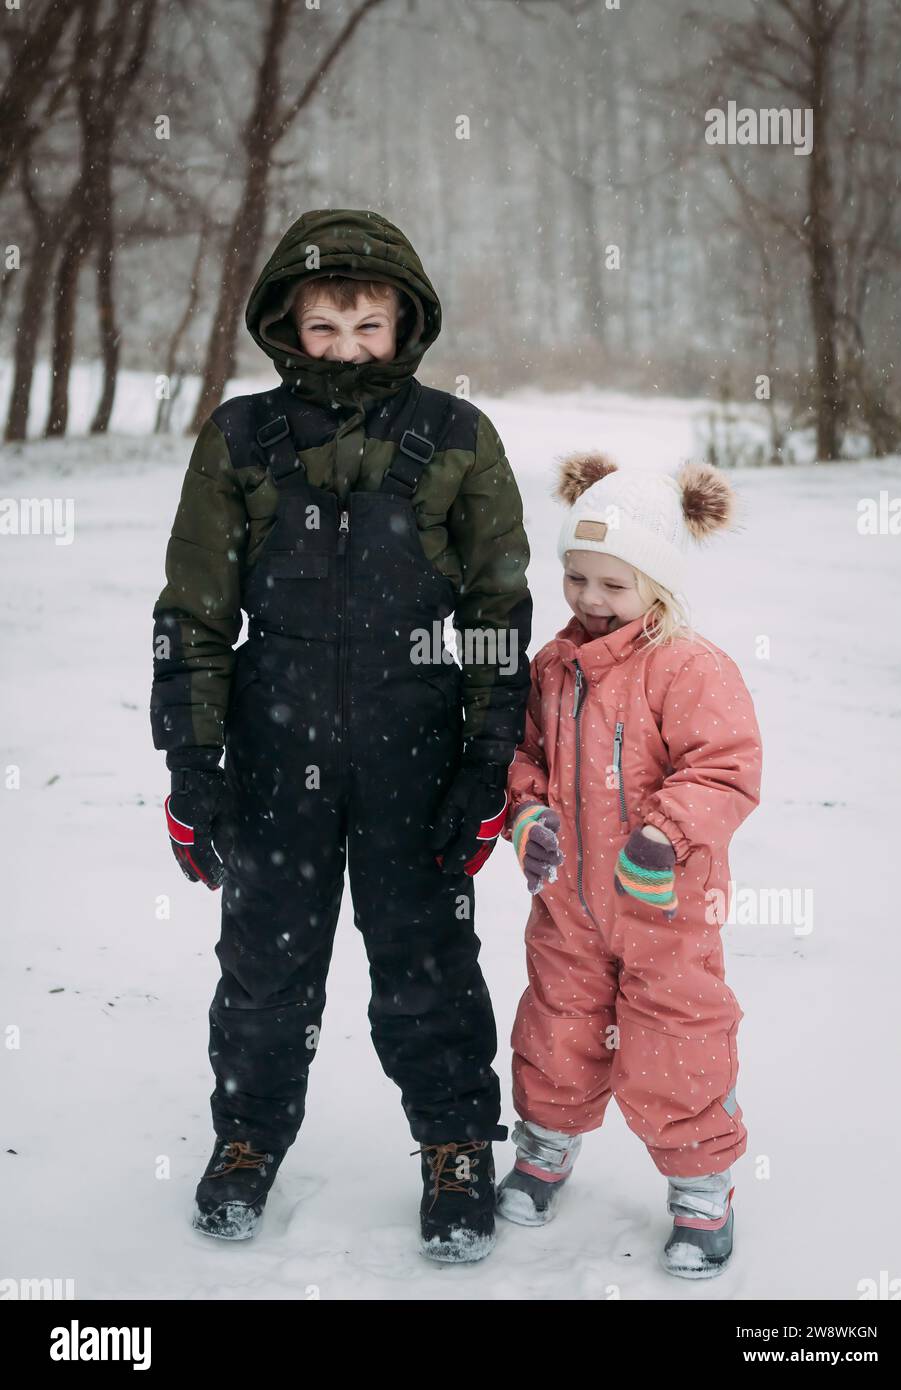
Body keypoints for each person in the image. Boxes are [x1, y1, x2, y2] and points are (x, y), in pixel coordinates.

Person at [150, 208, 532, 1262]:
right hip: (275, 749)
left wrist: (487, 760)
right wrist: (192, 765)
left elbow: (498, 611)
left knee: (428, 957)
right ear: (287, 323)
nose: (349, 345)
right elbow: (192, 613)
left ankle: (455, 1140)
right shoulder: (236, 438)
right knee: (266, 964)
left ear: (405, 320)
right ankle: (246, 1138)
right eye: (325, 326)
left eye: (369, 323)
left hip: (415, 750)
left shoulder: (459, 437)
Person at [495, 451, 762, 1279]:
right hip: (570, 905)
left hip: (665, 911)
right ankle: (544, 1148)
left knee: (675, 1040)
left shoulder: (690, 666)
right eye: (577, 578)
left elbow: (724, 768)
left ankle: (699, 1188)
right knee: (557, 1025)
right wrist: (528, 811)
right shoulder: (554, 666)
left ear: (659, 585)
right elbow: (522, 756)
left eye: (614, 585)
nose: (591, 601)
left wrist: (666, 833)